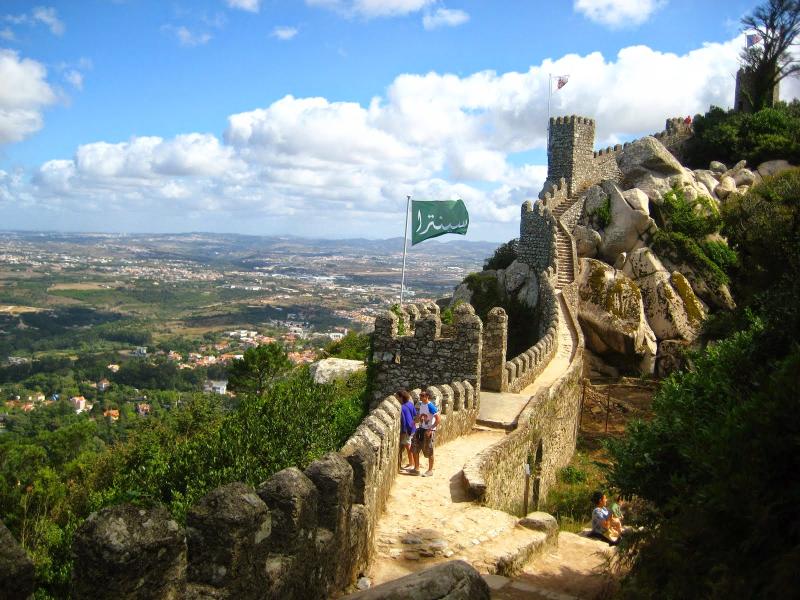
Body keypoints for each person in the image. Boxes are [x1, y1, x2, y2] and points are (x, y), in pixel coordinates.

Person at [411, 390, 440, 477]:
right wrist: (415, 421)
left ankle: (430, 470)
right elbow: (420, 416)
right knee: (415, 448)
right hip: (420, 429)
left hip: (428, 431)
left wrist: (431, 429)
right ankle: (416, 469)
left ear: (427, 396)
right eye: (420, 395)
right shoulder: (421, 404)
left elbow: (438, 419)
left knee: (429, 451)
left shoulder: (431, 406)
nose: (421, 397)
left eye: (423, 396)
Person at [396, 389, 416, 471]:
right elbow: (414, 414)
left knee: (408, 447)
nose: (396, 399)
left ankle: (411, 464)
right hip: (413, 427)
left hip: (407, 429)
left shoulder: (402, 408)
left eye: (397, 397)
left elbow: (403, 421)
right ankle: (412, 462)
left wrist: (403, 432)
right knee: (409, 446)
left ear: (401, 397)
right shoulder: (410, 404)